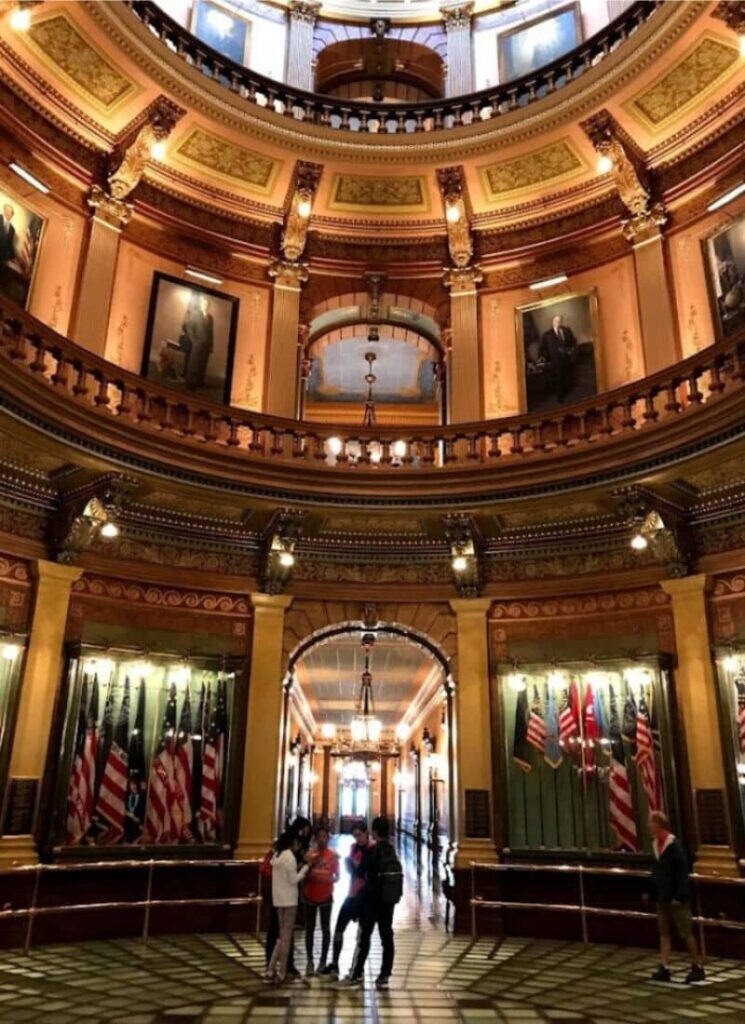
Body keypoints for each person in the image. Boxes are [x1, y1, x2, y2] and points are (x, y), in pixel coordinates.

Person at [335, 816, 403, 991]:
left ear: (373, 832)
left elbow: (360, 871)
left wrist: (350, 862)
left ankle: (357, 973)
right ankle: (384, 975)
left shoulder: (373, 851)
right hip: (388, 900)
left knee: (365, 936)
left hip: (372, 900)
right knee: (387, 936)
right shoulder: (391, 850)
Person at [647, 811, 705, 984]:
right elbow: (656, 872)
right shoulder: (656, 845)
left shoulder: (675, 846)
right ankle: (664, 966)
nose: (649, 826)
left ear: (659, 824)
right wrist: (651, 891)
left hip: (676, 898)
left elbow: (682, 872)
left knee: (685, 932)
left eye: (651, 823)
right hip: (662, 897)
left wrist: (680, 895)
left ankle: (697, 965)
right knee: (664, 933)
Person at [317, 821, 370, 979]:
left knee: (362, 934)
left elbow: (369, 872)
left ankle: (358, 969)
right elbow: (351, 870)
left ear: (366, 832)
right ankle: (334, 963)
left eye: (359, 835)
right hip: (352, 894)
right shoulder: (354, 848)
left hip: (366, 897)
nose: (357, 839)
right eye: (354, 836)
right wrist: (351, 864)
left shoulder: (373, 849)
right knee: (339, 927)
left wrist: (359, 866)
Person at [264, 816, 312, 975]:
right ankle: (280, 970)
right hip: (289, 898)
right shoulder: (290, 857)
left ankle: (272, 967)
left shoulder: (277, 855)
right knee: (285, 935)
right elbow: (294, 878)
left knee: (280, 933)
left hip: (277, 898)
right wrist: (305, 868)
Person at [303, 826, 340, 976]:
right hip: (310, 894)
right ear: (315, 839)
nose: (322, 839)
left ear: (328, 838)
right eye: (319, 836)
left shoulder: (333, 856)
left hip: (326, 895)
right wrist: (309, 866)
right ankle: (310, 960)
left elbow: (337, 876)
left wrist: (328, 879)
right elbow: (303, 872)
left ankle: (323, 960)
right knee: (309, 928)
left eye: (325, 836)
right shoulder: (309, 854)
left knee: (325, 928)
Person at [179, 292, 214, 390]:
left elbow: (211, 333)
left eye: (207, 304)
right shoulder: (195, 314)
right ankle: (189, 384)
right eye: (204, 304)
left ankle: (199, 383)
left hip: (206, 346)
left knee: (203, 365)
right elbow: (189, 327)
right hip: (197, 344)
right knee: (193, 364)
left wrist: (211, 346)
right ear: (201, 304)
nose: (205, 306)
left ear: (209, 306)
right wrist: (193, 340)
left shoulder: (211, 318)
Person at [540, 314, 578, 402]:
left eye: (560, 320)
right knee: (558, 379)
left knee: (567, 376)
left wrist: (572, 353)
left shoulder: (567, 330)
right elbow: (543, 348)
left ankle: (569, 392)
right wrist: (546, 360)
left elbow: (573, 342)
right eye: (556, 320)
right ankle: (560, 397)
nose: (558, 322)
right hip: (555, 361)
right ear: (552, 322)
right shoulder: (547, 335)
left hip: (567, 359)